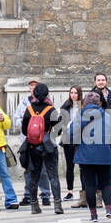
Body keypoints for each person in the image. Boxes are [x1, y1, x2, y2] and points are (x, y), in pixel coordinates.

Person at [67, 90, 111, 222]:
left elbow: (71, 134)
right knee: (106, 184)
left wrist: (77, 144)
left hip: (85, 154)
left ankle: (93, 215)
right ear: (99, 103)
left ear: (85, 102)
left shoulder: (80, 115)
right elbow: (109, 134)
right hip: (103, 153)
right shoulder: (106, 115)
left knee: (89, 185)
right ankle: (109, 210)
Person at [20, 83, 64, 215]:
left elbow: (23, 130)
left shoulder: (29, 109)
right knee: (53, 176)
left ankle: (34, 206)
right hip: (48, 146)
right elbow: (59, 130)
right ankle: (57, 205)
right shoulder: (51, 109)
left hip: (33, 147)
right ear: (47, 94)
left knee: (34, 176)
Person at [13, 78, 49, 206]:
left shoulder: (47, 103)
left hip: (42, 141)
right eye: (31, 85)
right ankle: (28, 195)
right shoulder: (23, 103)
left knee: (43, 170)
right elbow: (16, 118)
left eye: (35, 85)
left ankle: (45, 195)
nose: (33, 87)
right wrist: (22, 122)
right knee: (28, 169)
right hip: (27, 141)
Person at [91, 73, 111, 193]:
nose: (101, 82)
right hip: (96, 133)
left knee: (110, 160)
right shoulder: (91, 96)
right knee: (97, 159)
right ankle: (98, 185)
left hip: (110, 133)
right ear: (95, 82)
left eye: (103, 80)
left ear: (106, 82)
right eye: (98, 80)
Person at [59, 86, 83, 201]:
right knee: (70, 166)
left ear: (79, 94)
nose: (73, 95)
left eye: (75, 93)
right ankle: (70, 191)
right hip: (68, 138)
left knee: (83, 166)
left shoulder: (83, 106)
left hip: (80, 139)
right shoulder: (66, 106)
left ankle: (84, 190)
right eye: (71, 92)